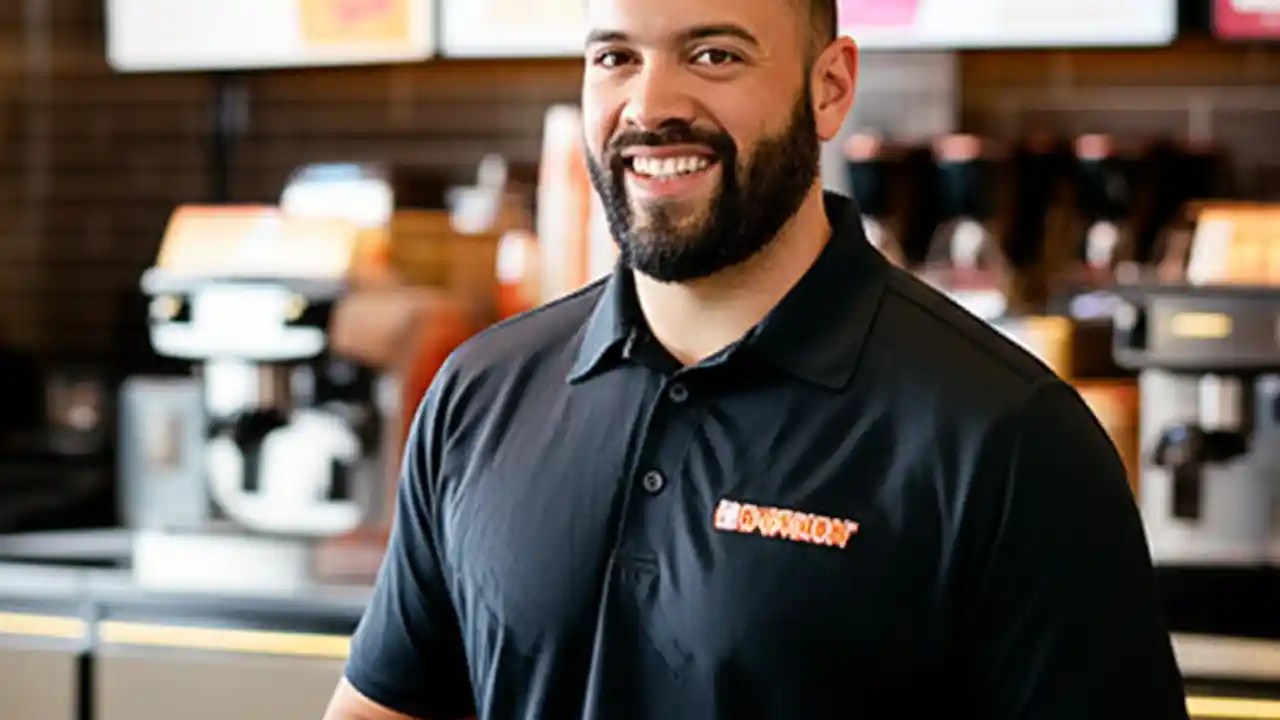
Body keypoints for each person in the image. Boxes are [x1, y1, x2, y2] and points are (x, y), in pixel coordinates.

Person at [324, 0, 1190, 717]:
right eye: (615, 58)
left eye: (712, 55)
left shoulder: (1009, 439)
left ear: (831, 87)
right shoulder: (481, 394)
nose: (650, 105)